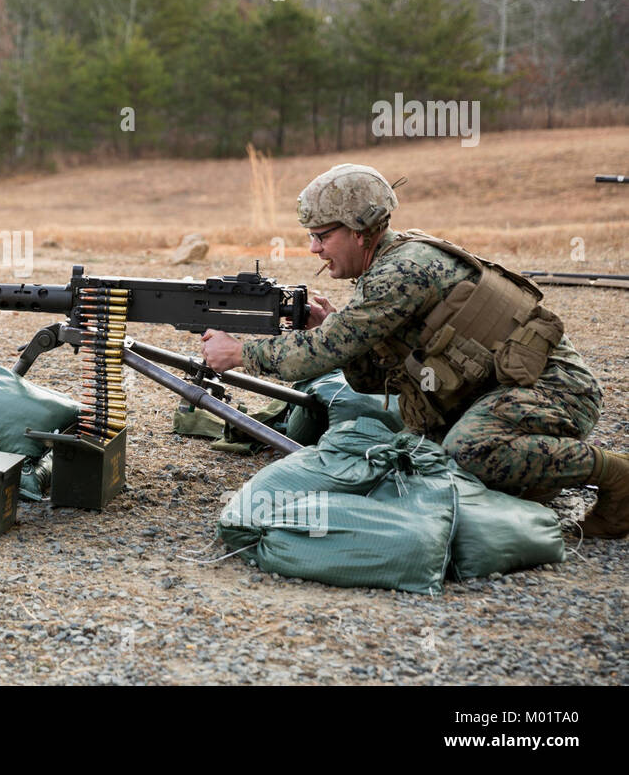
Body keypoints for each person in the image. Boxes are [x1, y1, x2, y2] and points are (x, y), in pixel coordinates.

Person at [200, 163, 629, 539]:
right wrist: (335, 328)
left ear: (360, 230)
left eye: (321, 236)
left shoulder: (403, 270)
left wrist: (241, 354)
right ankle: (533, 474)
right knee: (419, 462)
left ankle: (616, 475)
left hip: (556, 390)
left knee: (468, 451)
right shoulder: (388, 266)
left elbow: (321, 353)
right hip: (503, 392)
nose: (314, 249)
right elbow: (371, 378)